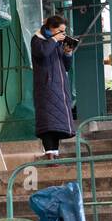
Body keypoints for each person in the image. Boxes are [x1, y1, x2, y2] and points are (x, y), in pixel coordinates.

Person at [31, 15, 76, 158]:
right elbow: (42, 53)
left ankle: (55, 153)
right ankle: (49, 153)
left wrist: (68, 53)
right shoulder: (37, 39)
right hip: (46, 87)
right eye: (60, 30)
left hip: (60, 88)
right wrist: (54, 39)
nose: (62, 34)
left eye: (64, 31)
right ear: (51, 28)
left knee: (57, 123)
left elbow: (66, 67)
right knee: (48, 121)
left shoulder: (56, 43)